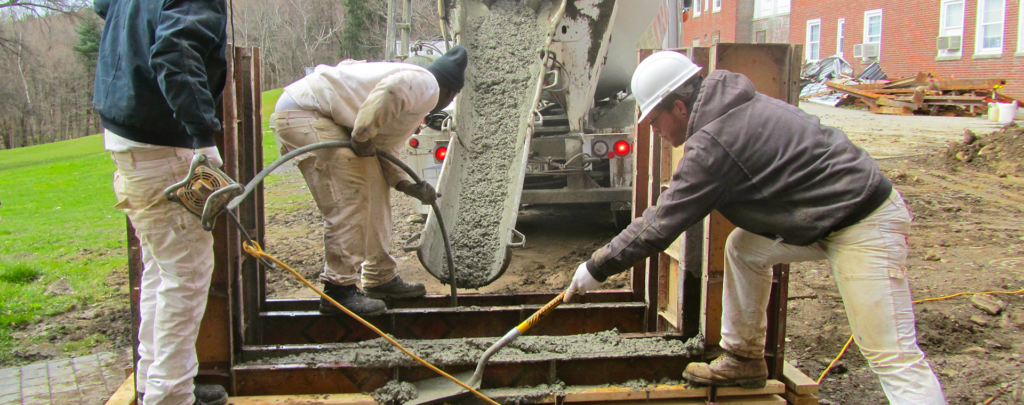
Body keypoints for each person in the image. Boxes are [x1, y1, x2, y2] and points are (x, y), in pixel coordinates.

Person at [562, 51, 945, 404]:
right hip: (824, 215)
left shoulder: (714, 143)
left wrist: (596, 268)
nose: (654, 130)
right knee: (744, 248)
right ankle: (744, 358)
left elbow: (661, 224)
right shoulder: (731, 107)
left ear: (679, 107)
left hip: (863, 221)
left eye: (654, 119)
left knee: (891, 354)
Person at [92, 0, 230, 404]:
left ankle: (157, 382)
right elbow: (175, 51)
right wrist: (203, 134)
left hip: (128, 138)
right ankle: (169, 396)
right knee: (186, 275)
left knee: (163, 270)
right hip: (161, 144)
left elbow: (106, 8)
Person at [270, 46, 467, 316]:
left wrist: (408, 185)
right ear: (450, 92)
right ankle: (338, 291)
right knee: (352, 193)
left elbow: (387, 149)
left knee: (375, 187)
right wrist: (362, 135)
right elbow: (391, 91)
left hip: (318, 114)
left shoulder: (417, 99)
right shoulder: (426, 83)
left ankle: (380, 278)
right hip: (307, 112)